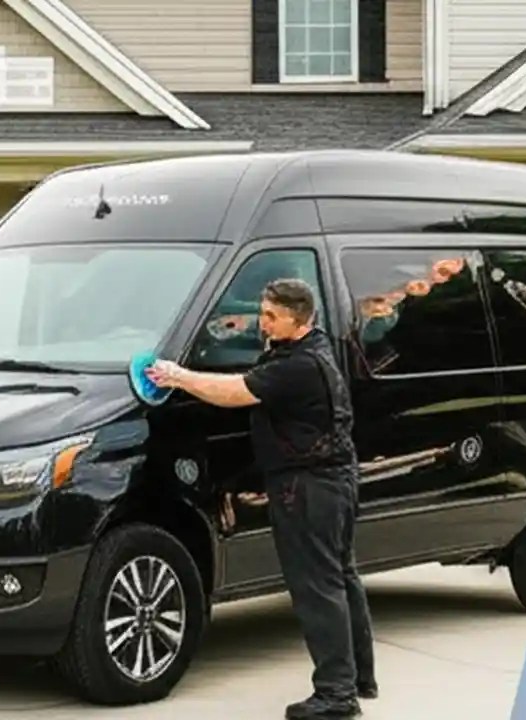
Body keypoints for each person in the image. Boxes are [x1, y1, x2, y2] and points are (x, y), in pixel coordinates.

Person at [146, 278, 376, 720]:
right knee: (341, 576)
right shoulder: (315, 345)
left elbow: (234, 392)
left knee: (317, 587)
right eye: (262, 312)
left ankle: (336, 694)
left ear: (298, 319)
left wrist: (176, 375)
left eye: (271, 316)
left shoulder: (298, 367)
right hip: (334, 481)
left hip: (308, 488)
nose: (262, 323)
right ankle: (357, 677)